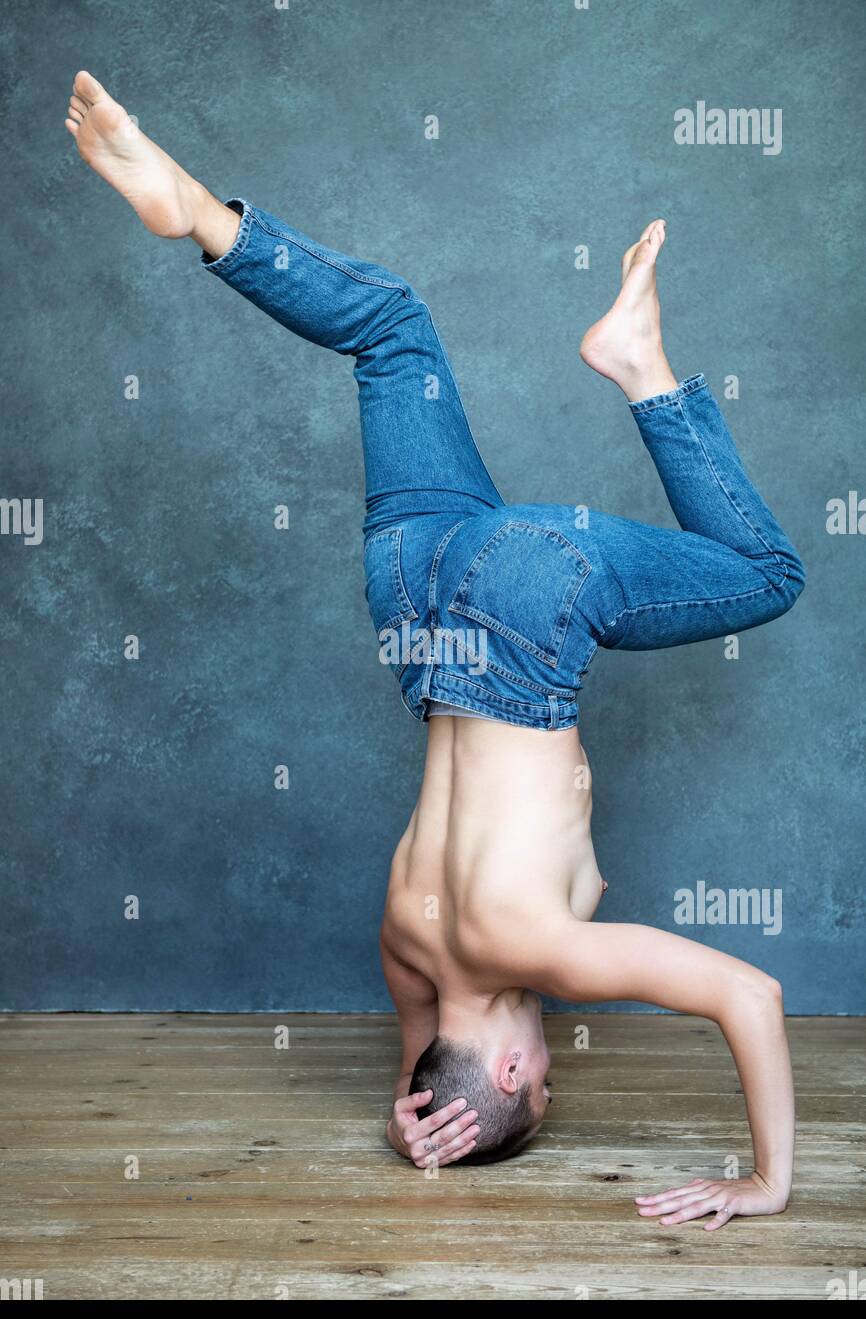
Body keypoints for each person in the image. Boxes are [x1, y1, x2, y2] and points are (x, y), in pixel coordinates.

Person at [66, 71, 804, 1229]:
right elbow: (426, 1063)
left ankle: (640, 367)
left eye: (545, 1074)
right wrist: (400, 1113)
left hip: (521, 594)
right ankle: (204, 218)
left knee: (767, 577)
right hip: (414, 603)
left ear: (512, 1068)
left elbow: (748, 993)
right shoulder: (404, 943)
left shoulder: (539, 946)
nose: (552, 1054)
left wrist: (765, 1183)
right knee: (389, 328)